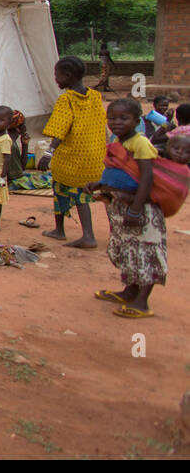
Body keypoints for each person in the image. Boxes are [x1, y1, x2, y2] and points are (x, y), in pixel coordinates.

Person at [87, 98, 165, 318]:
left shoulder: (140, 143)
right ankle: (130, 291)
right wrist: (100, 185)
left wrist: (136, 208)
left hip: (142, 209)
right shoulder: (117, 142)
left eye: (124, 118)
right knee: (129, 249)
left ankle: (142, 303)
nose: (117, 122)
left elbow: (147, 178)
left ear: (137, 120)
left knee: (146, 252)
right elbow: (119, 173)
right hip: (123, 206)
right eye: (112, 117)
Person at [37, 56, 105, 248]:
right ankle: (59, 230)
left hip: (71, 158)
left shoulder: (66, 99)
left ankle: (87, 236)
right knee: (66, 190)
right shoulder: (95, 96)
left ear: (67, 75)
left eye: (57, 76)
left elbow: (60, 129)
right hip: (93, 156)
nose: (56, 80)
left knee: (73, 193)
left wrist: (49, 153)